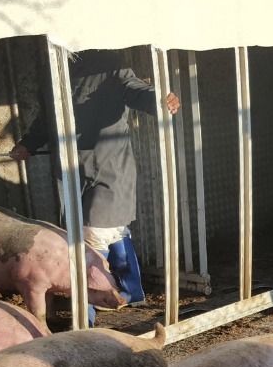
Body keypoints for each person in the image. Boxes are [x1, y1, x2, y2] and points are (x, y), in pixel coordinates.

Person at [10, 49, 180, 310]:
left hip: (108, 162)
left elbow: (134, 89)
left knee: (98, 231)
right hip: (69, 167)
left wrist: (158, 100)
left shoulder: (108, 63)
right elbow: (47, 118)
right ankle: (129, 291)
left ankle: (91, 306)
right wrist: (28, 144)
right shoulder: (55, 69)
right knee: (92, 231)